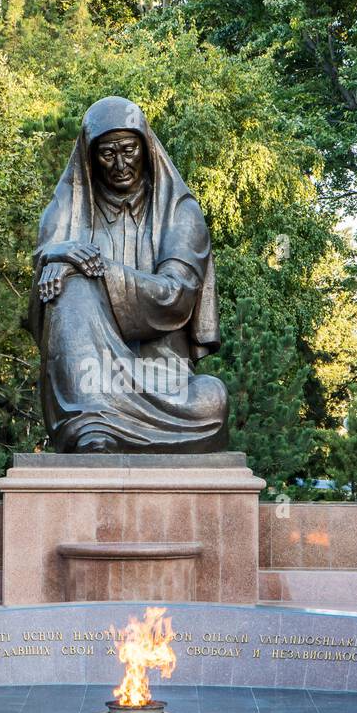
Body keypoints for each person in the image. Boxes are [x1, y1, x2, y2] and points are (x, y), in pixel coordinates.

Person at [30, 96, 229, 453]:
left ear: (146, 150)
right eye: (107, 153)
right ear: (90, 158)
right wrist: (55, 256)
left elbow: (175, 296)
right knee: (65, 284)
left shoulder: (180, 212)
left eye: (128, 150)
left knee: (211, 399)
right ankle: (92, 423)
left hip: (162, 377)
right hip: (89, 379)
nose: (120, 164)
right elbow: (46, 256)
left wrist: (101, 270)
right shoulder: (69, 205)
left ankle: (108, 422)